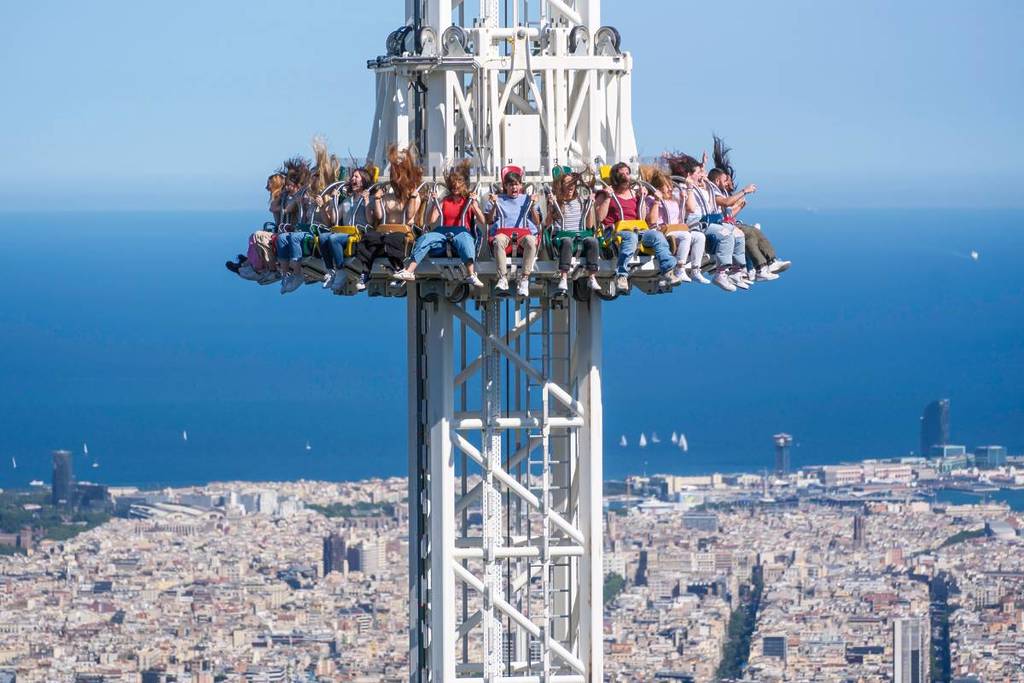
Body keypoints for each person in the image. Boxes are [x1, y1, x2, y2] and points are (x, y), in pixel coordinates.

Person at [392, 160, 485, 288]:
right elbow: (431, 220)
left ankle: (471, 274)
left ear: (464, 184)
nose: (456, 186)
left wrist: (474, 204)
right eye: (453, 184)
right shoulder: (445, 201)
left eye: (459, 183)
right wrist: (434, 203)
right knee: (426, 238)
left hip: (461, 231)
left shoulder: (468, 201)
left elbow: (482, 221)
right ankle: (409, 271)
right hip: (444, 232)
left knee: (465, 240)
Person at [709, 136, 790, 280]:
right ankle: (760, 268)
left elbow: (728, 214)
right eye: (725, 180)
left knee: (754, 232)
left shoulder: (720, 191)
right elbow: (726, 203)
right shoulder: (713, 192)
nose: (728, 182)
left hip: (728, 223)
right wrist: (744, 192)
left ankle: (770, 262)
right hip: (721, 227)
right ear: (717, 180)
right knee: (749, 234)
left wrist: (739, 206)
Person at [594, 162, 682, 292]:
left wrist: (642, 199)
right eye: (621, 173)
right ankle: (622, 275)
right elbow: (599, 217)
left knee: (657, 236)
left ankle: (668, 270)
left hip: (637, 229)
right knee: (631, 238)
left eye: (627, 173)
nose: (625, 175)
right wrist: (607, 198)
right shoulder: (605, 193)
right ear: (615, 176)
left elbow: (642, 217)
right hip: (615, 231)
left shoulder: (634, 194)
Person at [666, 153, 745, 292]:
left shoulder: (700, 188)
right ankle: (720, 273)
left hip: (706, 221)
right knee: (726, 235)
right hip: (695, 225)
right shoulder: (682, 189)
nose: (703, 175)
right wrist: (690, 188)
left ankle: (736, 271)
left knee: (738, 234)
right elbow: (690, 208)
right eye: (699, 173)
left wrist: (703, 169)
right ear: (690, 175)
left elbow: (708, 205)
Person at [344, 145, 421, 281]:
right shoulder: (387, 195)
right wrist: (378, 199)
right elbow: (379, 217)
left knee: (391, 239)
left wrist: (413, 198)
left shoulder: (413, 195)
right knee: (368, 238)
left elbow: (409, 216)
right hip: (385, 231)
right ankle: (365, 271)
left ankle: (398, 267)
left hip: (403, 232)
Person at [644, 168, 708, 284]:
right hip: (663, 230)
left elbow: (684, 214)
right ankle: (679, 269)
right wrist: (657, 202)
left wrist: (683, 199)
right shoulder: (651, 199)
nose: (670, 188)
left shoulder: (673, 200)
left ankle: (695, 270)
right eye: (666, 186)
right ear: (658, 187)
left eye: (670, 186)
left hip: (676, 229)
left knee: (699, 237)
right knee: (686, 236)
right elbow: (652, 221)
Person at [485, 167, 541, 297]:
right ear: (505, 186)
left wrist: (532, 204)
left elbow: (537, 222)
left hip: (523, 233)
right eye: (510, 185)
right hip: (504, 233)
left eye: (516, 184)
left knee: (531, 241)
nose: (514, 188)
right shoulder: (498, 199)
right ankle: (503, 277)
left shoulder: (527, 199)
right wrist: (493, 204)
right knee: (498, 240)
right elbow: (488, 221)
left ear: (520, 186)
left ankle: (525, 279)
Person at [545, 170, 601, 293]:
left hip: (579, 235)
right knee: (567, 242)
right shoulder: (557, 202)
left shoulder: (581, 201)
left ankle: (592, 276)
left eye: (572, 183)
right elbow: (547, 224)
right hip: (562, 236)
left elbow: (589, 225)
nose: (570, 186)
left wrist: (590, 205)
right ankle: (564, 276)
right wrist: (550, 207)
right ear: (561, 185)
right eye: (566, 183)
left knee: (593, 241)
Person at [321, 166, 374, 293]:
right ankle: (331, 271)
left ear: (363, 181)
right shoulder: (346, 201)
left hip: (358, 235)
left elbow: (371, 221)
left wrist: (366, 201)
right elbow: (334, 220)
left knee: (333, 238)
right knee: (323, 238)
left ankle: (340, 270)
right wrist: (334, 201)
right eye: (352, 177)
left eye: (356, 177)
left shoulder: (369, 199)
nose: (353, 179)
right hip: (344, 233)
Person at [275, 157, 314, 294]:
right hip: (301, 228)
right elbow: (286, 210)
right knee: (281, 238)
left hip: (311, 230)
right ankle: (285, 274)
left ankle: (297, 274)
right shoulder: (298, 195)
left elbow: (288, 210)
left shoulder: (309, 194)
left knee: (294, 238)